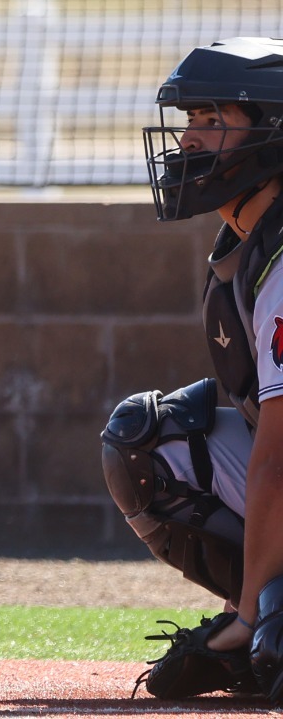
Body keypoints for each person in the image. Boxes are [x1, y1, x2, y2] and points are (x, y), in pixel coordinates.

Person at [105, 36, 283, 699]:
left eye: (213, 122)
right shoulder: (253, 235)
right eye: (189, 122)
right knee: (154, 441)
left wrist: (247, 618)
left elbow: (277, 460)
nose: (188, 141)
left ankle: (260, 621)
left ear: (271, 136)